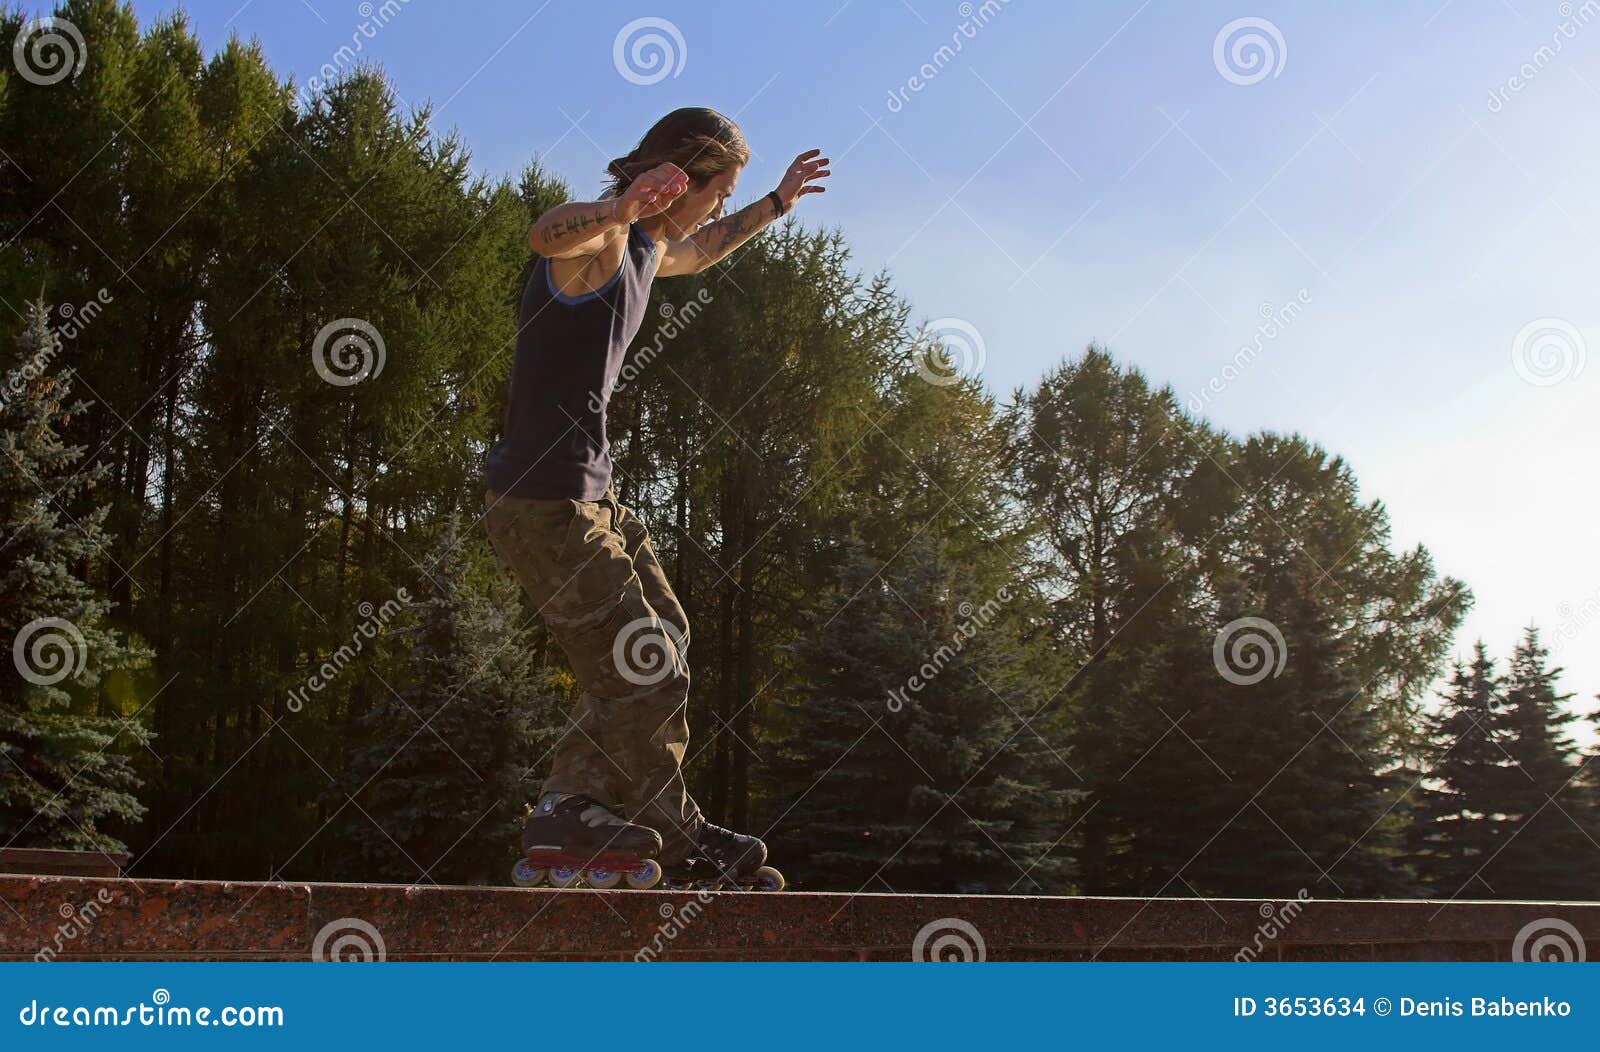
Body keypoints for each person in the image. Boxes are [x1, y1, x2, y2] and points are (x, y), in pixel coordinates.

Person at [482, 107, 829, 886]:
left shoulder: (649, 245)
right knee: (642, 666)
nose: (716, 204)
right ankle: (603, 817)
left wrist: (774, 204)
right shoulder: (603, 242)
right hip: (542, 502)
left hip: (587, 500)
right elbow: (544, 234)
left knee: (663, 637)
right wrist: (616, 207)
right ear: (681, 178)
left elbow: (702, 250)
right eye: (719, 189)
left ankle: (630, 816)